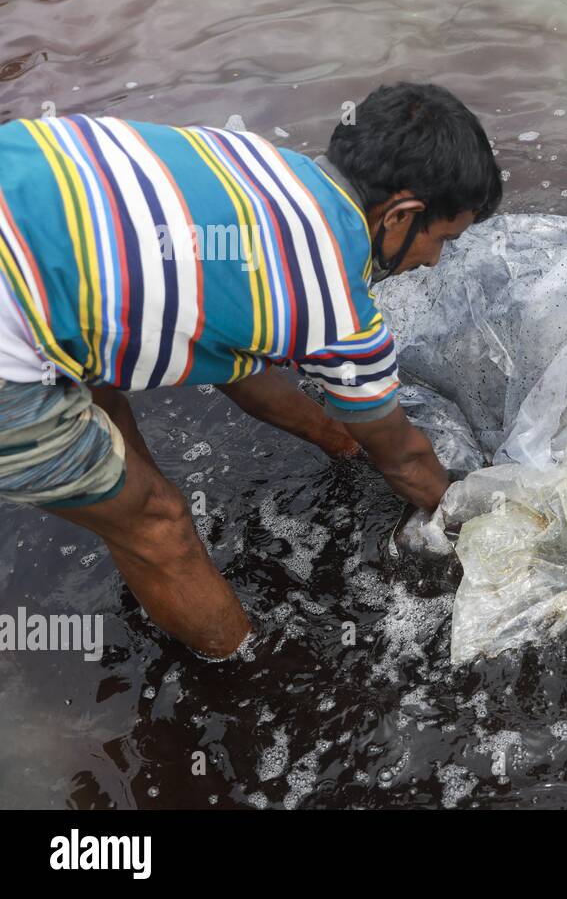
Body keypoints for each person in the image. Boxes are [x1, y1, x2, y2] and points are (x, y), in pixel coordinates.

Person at [0, 82, 501, 659]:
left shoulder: (255, 165)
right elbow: (409, 463)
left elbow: (237, 360)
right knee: (157, 525)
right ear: (401, 215)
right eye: (441, 239)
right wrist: (471, 516)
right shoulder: (333, 301)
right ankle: (243, 668)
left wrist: (340, 439)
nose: (433, 260)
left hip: (30, 211)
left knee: (93, 377)